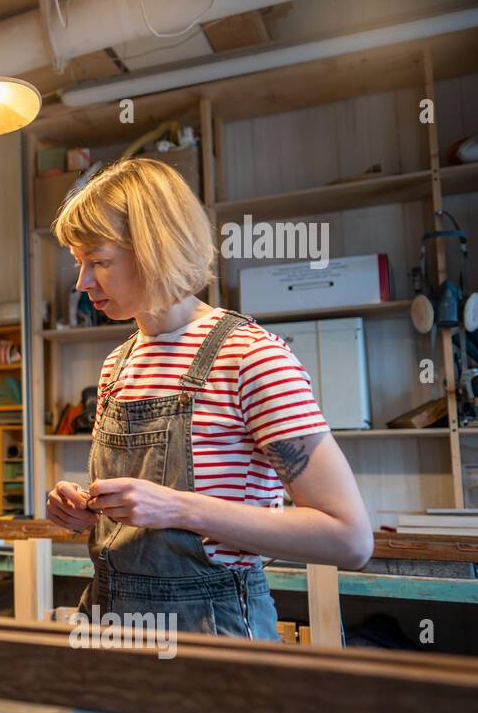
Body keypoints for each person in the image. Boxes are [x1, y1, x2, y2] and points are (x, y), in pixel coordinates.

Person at [45, 159, 374, 640]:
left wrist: (178, 508)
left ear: (155, 249)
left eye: (98, 260)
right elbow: (137, 516)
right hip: (110, 618)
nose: (82, 282)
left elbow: (349, 538)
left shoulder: (250, 355)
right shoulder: (118, 363)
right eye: (79, 263)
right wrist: (83, 511)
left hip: (212, 627)